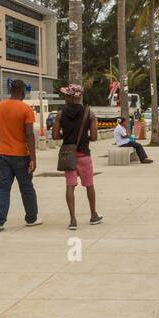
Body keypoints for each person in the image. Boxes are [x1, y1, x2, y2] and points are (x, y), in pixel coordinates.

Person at [0, 80, 38, 232]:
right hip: (21, 155)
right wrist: (33, 157)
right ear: (23, 92)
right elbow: (29, 135)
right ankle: (31, 218)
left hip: (3, 154)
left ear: (11, 90)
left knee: (3, 188)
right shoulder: (26, 109)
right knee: (26, 187)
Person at [52, 84, 101, 227]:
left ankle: (73, 220)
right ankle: (93, 215)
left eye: (66, 95)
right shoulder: (89, 113)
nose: (65, 97)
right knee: (89, 185)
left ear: (70, 97)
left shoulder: (60, 114)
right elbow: (94, 137)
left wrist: (66, 135)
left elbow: (55, 135)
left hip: (69, 156)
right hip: (84, 155)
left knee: (70, 187)